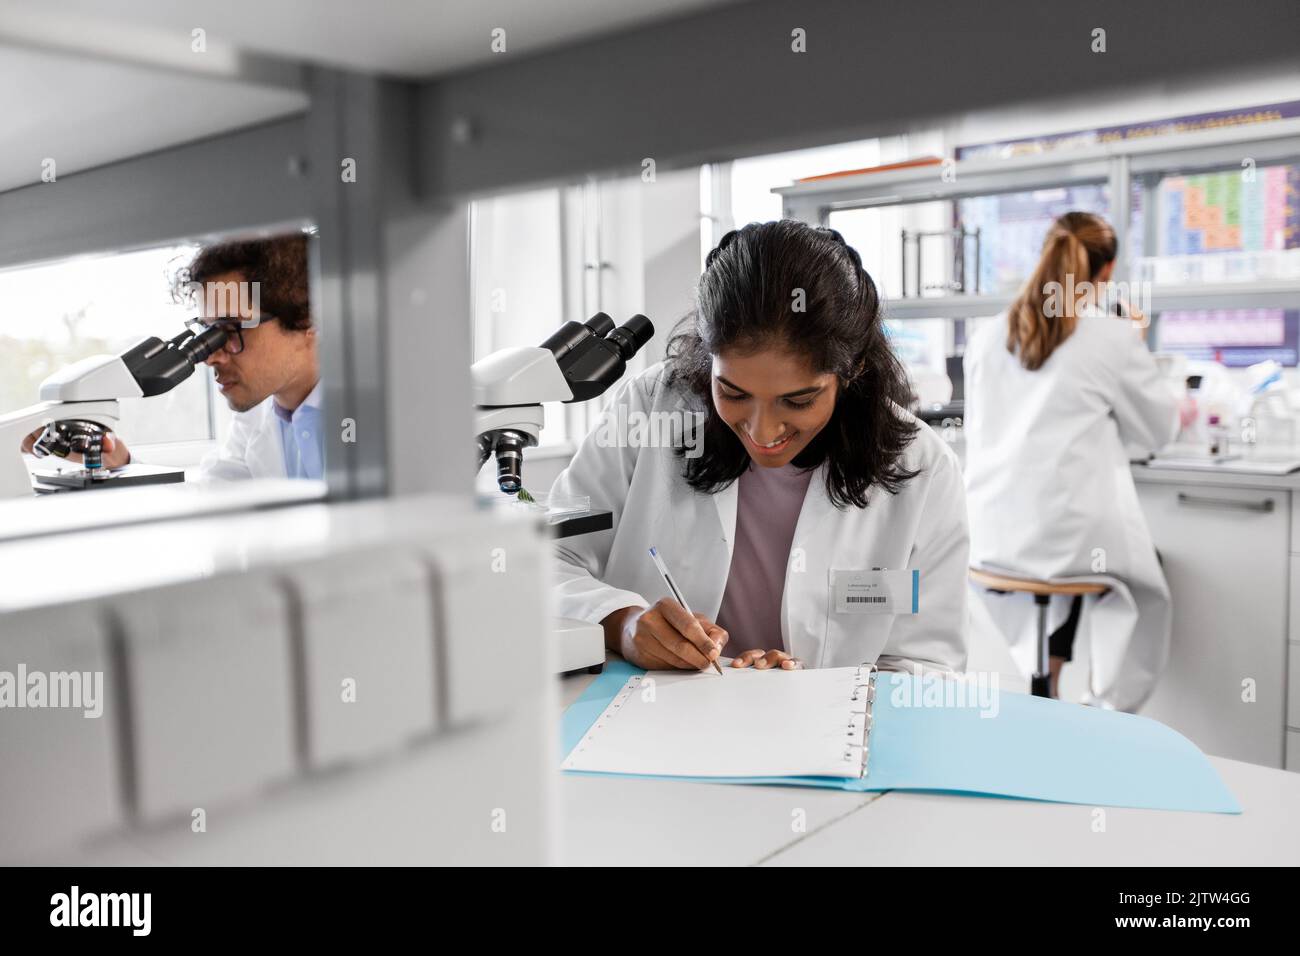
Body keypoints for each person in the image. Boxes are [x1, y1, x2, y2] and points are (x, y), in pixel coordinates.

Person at [550, 219, 969, 673]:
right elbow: (548, 560)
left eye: (798, 400)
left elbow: (927, 665)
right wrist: (623, 622)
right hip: (655, 717)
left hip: (830, 738)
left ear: (853, 371)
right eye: (732, 393)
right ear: (706, 360)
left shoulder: (922, 467)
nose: (763, 432)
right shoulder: (652, 410)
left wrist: (806, 695)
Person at [963, 211, 1179, 710]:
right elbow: (1160, 430)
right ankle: (1106, 708)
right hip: (1070, 546)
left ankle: (1047, 684)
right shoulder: (1111, 334)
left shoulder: (987, 333)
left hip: (992, 540)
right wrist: (1135, 342)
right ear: (1106, 272)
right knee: (1126, 570)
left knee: (1070, 559)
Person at [21, 234, 323, 481]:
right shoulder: (256, 416)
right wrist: (120, 461)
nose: (210, 357)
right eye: (206, 332)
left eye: (231, 329)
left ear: (308, 319)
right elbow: (212, 503)